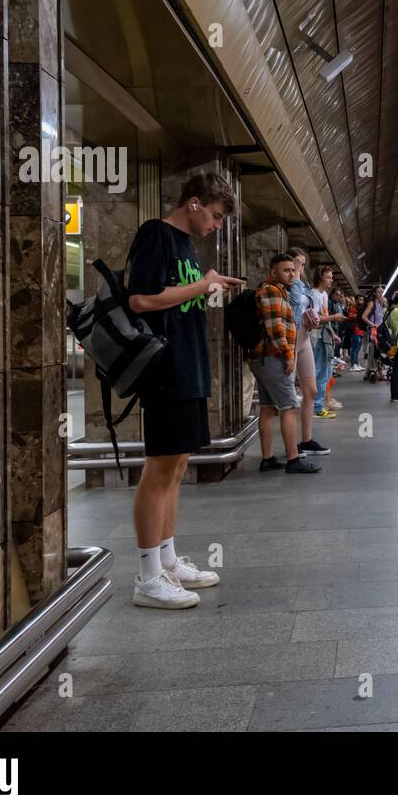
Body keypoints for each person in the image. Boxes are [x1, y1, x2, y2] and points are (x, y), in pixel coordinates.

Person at [125, 173, 244, 609]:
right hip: (165, 371)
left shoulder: (187, 248)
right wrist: (202, 285)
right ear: (193, 204)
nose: (215, 225)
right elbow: (140, 299)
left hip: (189, 366)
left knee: (177, 468)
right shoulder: (156, 234)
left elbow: (179, 296)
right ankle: (147, 576)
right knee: (158, 471)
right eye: (213, 216)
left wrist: (207, 280)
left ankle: (169, 561)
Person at [249, 253, 319, 475]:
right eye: (286, 270)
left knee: (268, 408)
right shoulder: (271, 290)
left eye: (292, 270)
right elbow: (276, 327)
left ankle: (268, 458)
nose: (291, 273)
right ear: (273, 272)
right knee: (290, 407)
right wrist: (288, 355)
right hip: (272, 357)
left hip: (265, 357)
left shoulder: (279, 291)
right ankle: (293, 459)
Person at [286, 247, 329, 458]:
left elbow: (306, 308)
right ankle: (292, 447)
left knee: (310, 391)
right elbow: (294, 303)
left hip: (304, 340)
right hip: (291, 340)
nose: (300, 268)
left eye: (302, 265)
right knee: (290, 396)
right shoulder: (288, 284)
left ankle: (307, 440)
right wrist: (294, 276)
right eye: (296, 263)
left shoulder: (304, 286)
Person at [310, 266, 346, 418]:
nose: (331, 280)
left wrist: (332, 334)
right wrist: (333, 317)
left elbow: (324, 317)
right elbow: (316, 320)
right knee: (319, 372)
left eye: (331, 277)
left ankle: (319, 404)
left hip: (325, 337)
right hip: (317, 338)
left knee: (326, 372)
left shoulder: (323, 294)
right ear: (320, 278)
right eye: (328, 277)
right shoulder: (314, 294)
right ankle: (316, 408)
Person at [361, 285, 387, 381]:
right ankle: (372, 371)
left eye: (382, 292)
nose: (381, 293)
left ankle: (369, 372)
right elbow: (364, 316)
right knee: (374, 353)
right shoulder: (372, 303)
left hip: (379, 332)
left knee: (376, 353)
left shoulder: (379, 303)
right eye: (379, 292)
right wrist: (373, 325)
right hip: (373, 332)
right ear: (374, 293)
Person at [348, 294, 366, 371]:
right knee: (354, 348)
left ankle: (356, 363)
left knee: (358, 348)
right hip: (355, 330)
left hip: (361, 330)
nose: (361, 301)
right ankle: (353, 365)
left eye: (362, 299)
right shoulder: (353, 308)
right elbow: (350, 316)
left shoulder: (362, 308)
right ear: (356, 300)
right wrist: (359, 315)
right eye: (360, 299)